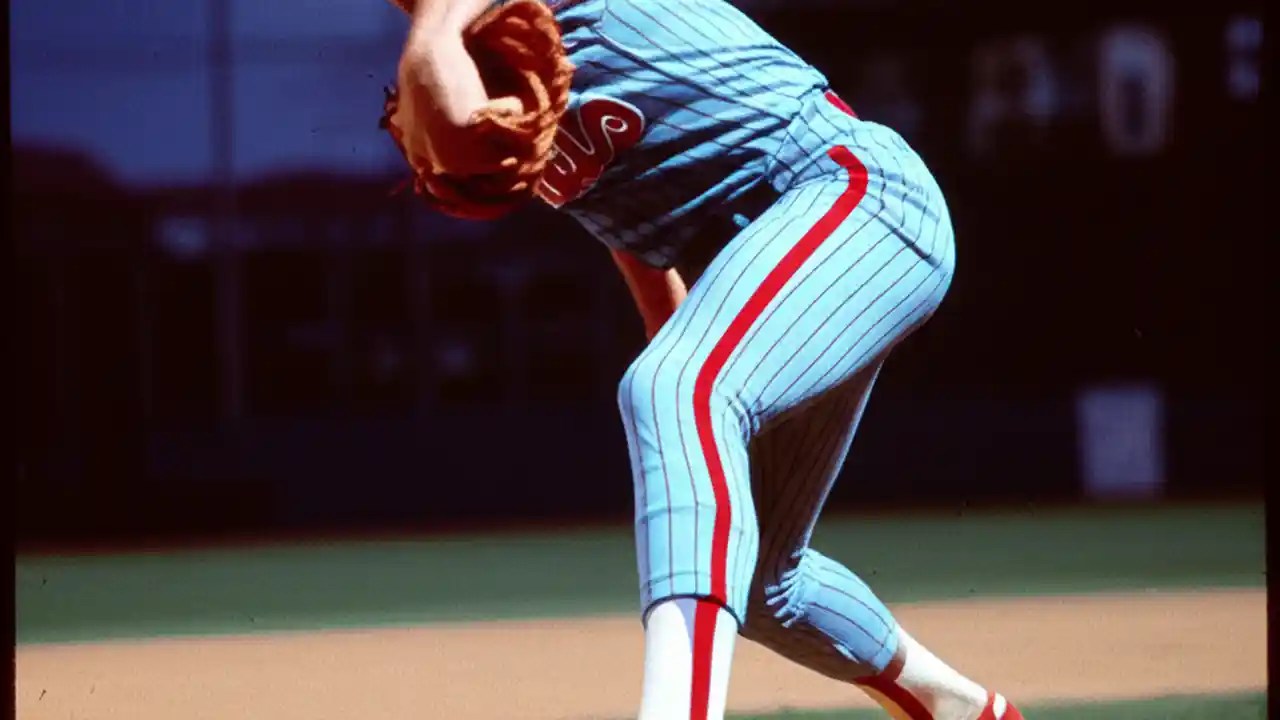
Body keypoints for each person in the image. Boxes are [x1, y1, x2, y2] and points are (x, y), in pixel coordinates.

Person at [386, 1, 1023, 718]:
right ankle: (963, 710)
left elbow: (450, 107)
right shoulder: (492, 49)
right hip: (767, 265)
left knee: (674, 387)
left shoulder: (469, 29)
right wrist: (692, 398)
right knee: (763, 588)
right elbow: (630, 232)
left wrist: (429, 41)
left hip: (856, 197)